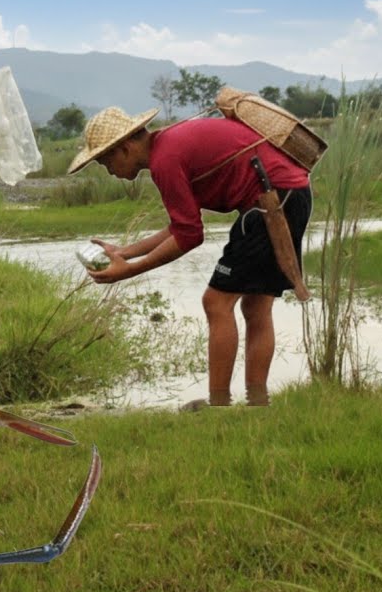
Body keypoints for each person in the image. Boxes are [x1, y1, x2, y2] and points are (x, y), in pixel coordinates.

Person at [68, 105, 311, 408]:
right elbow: (182, 225)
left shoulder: (165, 160)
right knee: (255, 305)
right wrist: (124, 253)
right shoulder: (168, 146)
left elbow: (190, 236)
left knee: (216, 302)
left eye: (106, 161)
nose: (109, 170)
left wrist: (128, 271)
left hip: (271, 202)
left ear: (126, 148)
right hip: (289, 194)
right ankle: (257, 405)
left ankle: (219, 406)